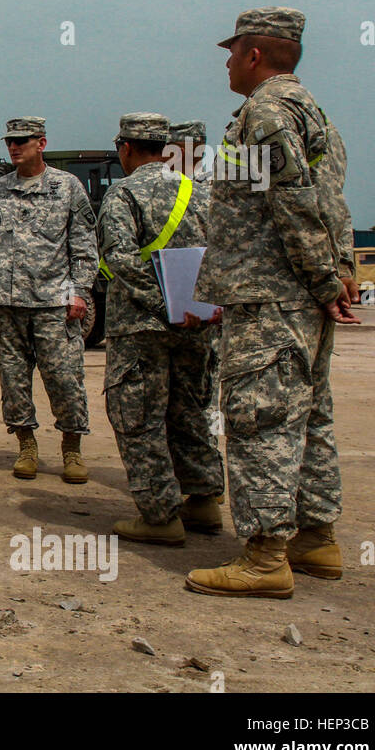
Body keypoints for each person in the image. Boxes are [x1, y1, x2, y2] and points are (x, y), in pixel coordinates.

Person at [187, 7, 359, 598]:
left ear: (254, 54)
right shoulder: (313, 111)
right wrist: (338, 270)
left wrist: (323, 278)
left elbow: (292, 200)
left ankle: (265, 559)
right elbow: (331, 199)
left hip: (270, 296)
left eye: (232, 53)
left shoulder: (265, 111)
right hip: (297, 296)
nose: (229, 64)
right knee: (309, 415)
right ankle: (316, 539)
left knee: (259, 420)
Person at [98, 113, 223, 545]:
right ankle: (204, 500)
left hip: (142, 329)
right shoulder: (203, 193)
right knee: (190, 411)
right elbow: (221, 256)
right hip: (197, 325)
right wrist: (198, 308)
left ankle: (159, 515)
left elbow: (121, 261)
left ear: (126, 148)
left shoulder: (124, 193)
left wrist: (164, 306)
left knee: (139, 417)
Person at [0, 117, 97, 483]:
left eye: (22, 140)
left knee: (66, 381)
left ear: (41, 143)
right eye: (10, 141)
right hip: (7, 308)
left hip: (54, 306)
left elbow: (84, 247)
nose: (14, 147)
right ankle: (26, 446)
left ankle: (72, 449)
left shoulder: (67, 188)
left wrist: (80, 291)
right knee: (14, 382)